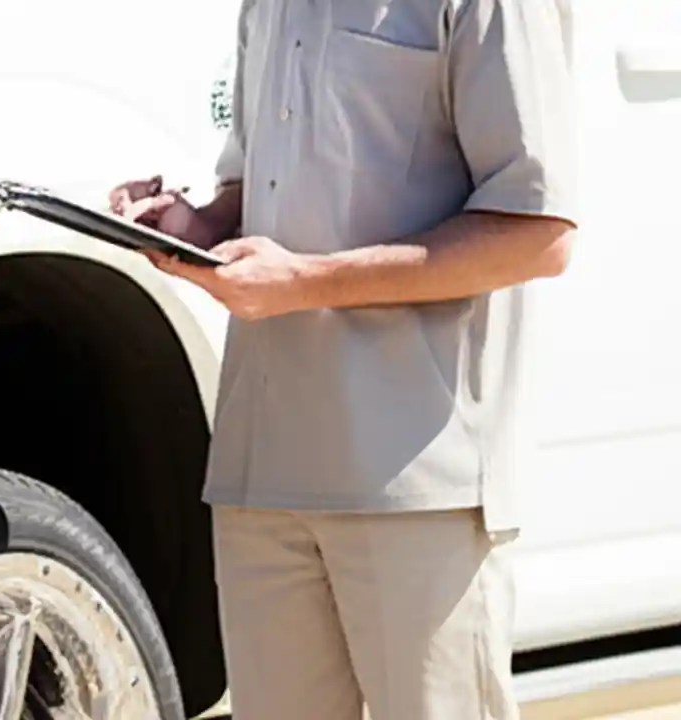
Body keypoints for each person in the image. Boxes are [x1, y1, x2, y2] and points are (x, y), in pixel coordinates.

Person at [110, 1, 577, 718]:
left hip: (418, 476)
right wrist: (192, 227)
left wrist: (304, 283)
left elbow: (537, 232)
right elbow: (254, 186)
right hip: (261, 469)